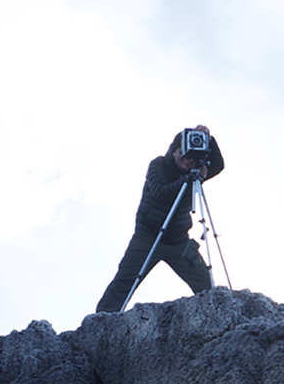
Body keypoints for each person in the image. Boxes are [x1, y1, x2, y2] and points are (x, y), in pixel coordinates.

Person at [95, 125, 226, 313]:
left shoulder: (195, 170)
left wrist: (208, 140)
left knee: (204, 282)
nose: (186, 159)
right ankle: (102, 321)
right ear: (173, 152)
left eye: (190, 156)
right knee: (125, 279)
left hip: (178, 241)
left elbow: (218, 165)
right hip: (148, 236)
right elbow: (162, 193)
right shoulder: (158, 165)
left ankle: (217, 316)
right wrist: (189, 179)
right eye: (183, 153)